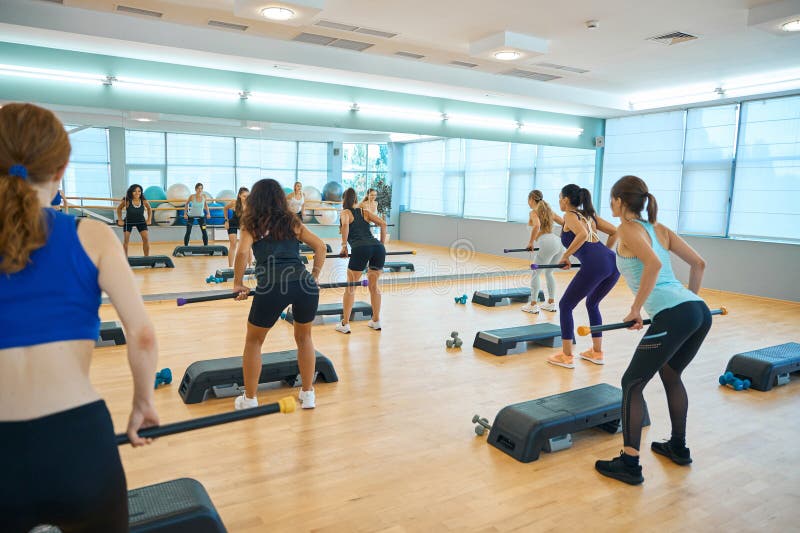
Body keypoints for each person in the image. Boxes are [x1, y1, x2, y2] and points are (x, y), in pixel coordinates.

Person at [0, 102, 159, 531]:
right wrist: (143, 402)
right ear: (61, 169)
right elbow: (141, 334)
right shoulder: (91, 235)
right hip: (78, 441)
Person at [595, 175, 710, 485]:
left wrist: (635, 309)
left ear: (619, 201)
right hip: (698, 311)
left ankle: (630, 464)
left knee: (631, 382)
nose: (610, 204)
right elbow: (699, 264)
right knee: (671, 374)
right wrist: (691, 301)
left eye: (611, 199)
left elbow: (653, 264)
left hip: (675, 314)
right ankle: (678, 446)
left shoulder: (627, 229)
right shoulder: (659, 229)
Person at [232, 178, 327, 410]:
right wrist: (313, 276)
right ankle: (308, 395)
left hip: (273, 285)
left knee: (254, 341)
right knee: (305, 338)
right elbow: (321, 246)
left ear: (256, 199)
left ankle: (250, 399)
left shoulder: (251, 224)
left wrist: (237, 283)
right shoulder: (291, 222)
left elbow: (242, 253)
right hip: (304, 284)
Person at [548, 184, 619, 369]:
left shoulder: (570, 215)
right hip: (612, 262)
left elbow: (582, 233)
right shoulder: (588, 215)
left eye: (559, 197)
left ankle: (566, 356)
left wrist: (566, 256)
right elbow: (615, 231)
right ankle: (597, 352)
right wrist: (603, 256)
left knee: (565, 305)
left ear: (565, 199)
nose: (559, 201)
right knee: (592, 303)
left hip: (597, 264)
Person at [336, 187, 387, 334]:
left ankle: (345, 324)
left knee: (350, 287)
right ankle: (376, 321)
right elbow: (383, 224)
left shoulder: (345, 212)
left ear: (343, 200)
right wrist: (382, 245)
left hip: (360, 249)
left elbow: (345, 224)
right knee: (374, 286)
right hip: (377, 248)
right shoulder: (364, 212)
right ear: (356, 200)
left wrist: (344, 246)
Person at [522, 190, 564, 314]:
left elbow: (537, 226)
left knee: (535, 273)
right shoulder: (550, 211)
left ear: (531, 199)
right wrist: (563, 238)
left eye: (528, 200)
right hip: (558, 242)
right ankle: (551, 303)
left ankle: (533, 304)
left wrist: (530, 243)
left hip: (546, 243)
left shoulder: (533, 212)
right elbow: (565, 223)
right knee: (549, 272)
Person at [116, 184, 152, 256]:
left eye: (139, 191)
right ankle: (125, 259)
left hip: (141, 221)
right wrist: (120, 219)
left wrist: (149, 219)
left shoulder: (143, 201)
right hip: (128, 222)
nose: (137, 193)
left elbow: (149, 209)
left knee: (146, 239)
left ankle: (146, 258)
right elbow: (119, 208)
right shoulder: (127, 201)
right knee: (126, 240)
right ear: (131, 192)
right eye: (134, 191)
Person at [224, 187, 250, 268]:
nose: (246, 198)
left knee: (248, 245)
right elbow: (225, 208)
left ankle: (249, 267)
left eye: (247, 196)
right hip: (233, 224)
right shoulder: (234, 203)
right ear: (239, 195)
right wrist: (226, 220)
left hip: (244, 224)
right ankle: (230, 267)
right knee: (233, 244)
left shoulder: (250, 204)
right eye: (244, 196)